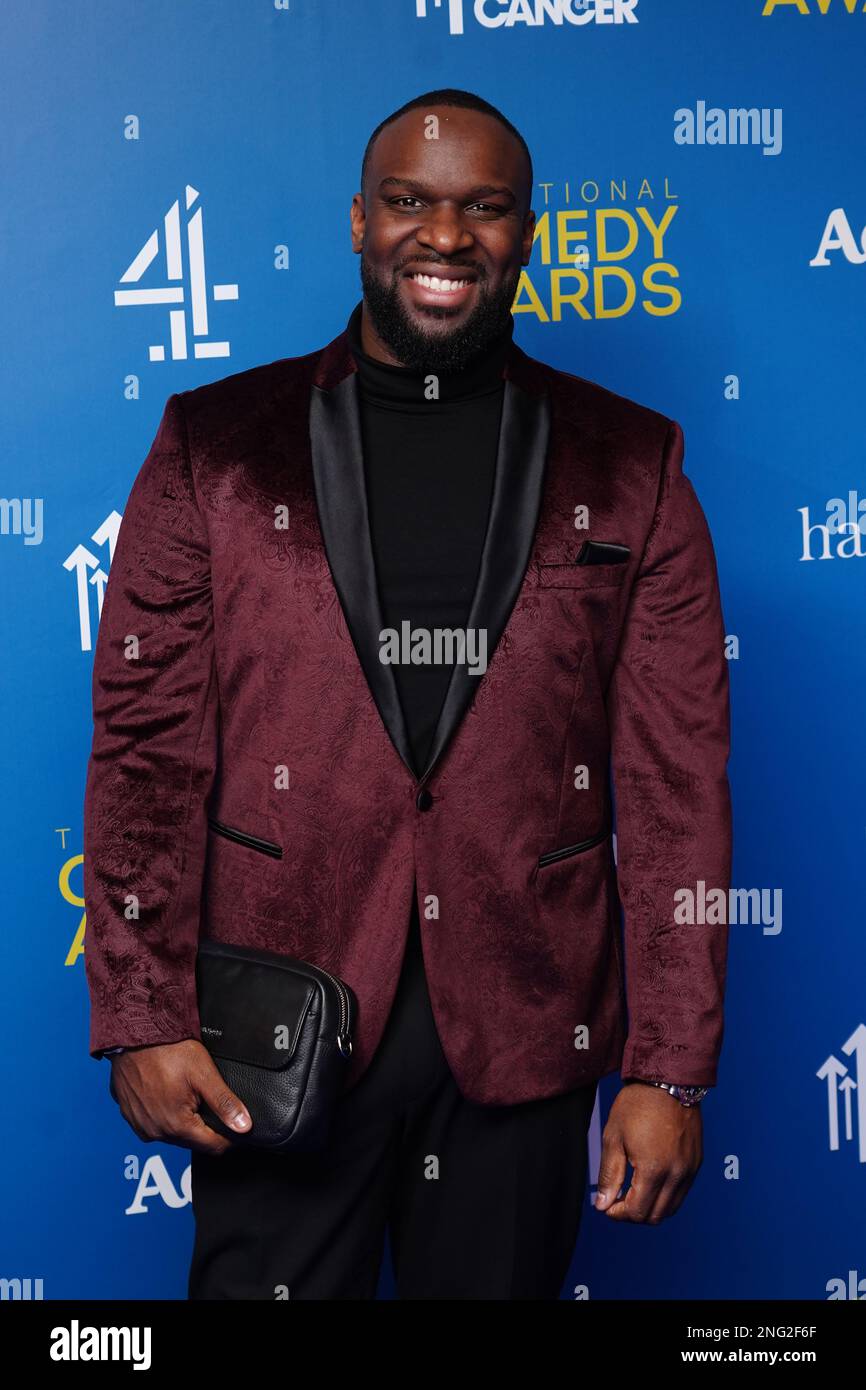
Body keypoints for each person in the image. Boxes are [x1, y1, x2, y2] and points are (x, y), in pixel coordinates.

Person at [83, 88, 732, 1300]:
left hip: (523, 1034)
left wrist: (670, 1067)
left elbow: (673, 781)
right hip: (274, 1025)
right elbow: (145, 748)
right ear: (356, 222)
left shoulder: (630, 464)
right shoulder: (214, 446)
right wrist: (137, 1009)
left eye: (484, 208)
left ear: (527, 234)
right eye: (409, 203)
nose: (444, 236)